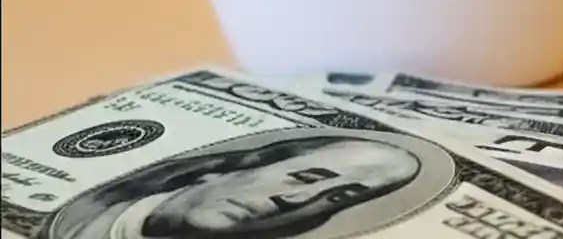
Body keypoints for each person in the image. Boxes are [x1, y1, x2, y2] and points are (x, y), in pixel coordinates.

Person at [49, 135, 421, 239]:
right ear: (229, 169)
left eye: (338, 197)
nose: (295, 199)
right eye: (307, 177)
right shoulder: (74, 223)